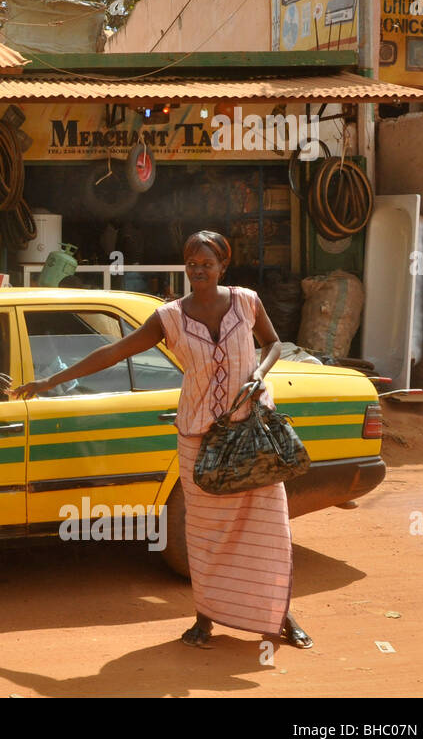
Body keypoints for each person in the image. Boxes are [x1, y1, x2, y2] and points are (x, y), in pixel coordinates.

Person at [16, 230, 312, 650]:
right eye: (191, 264)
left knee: (267, 530)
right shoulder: (170, 317)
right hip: (199, 437)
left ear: (223, 266)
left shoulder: (247, 301)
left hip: (251, 433)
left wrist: (259, 374)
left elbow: (274, 343)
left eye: (206, 264)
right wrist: (50, 380)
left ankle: (281, 615)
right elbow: (114, 352)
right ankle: (205, 618)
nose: (198, 271)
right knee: (206, 533)